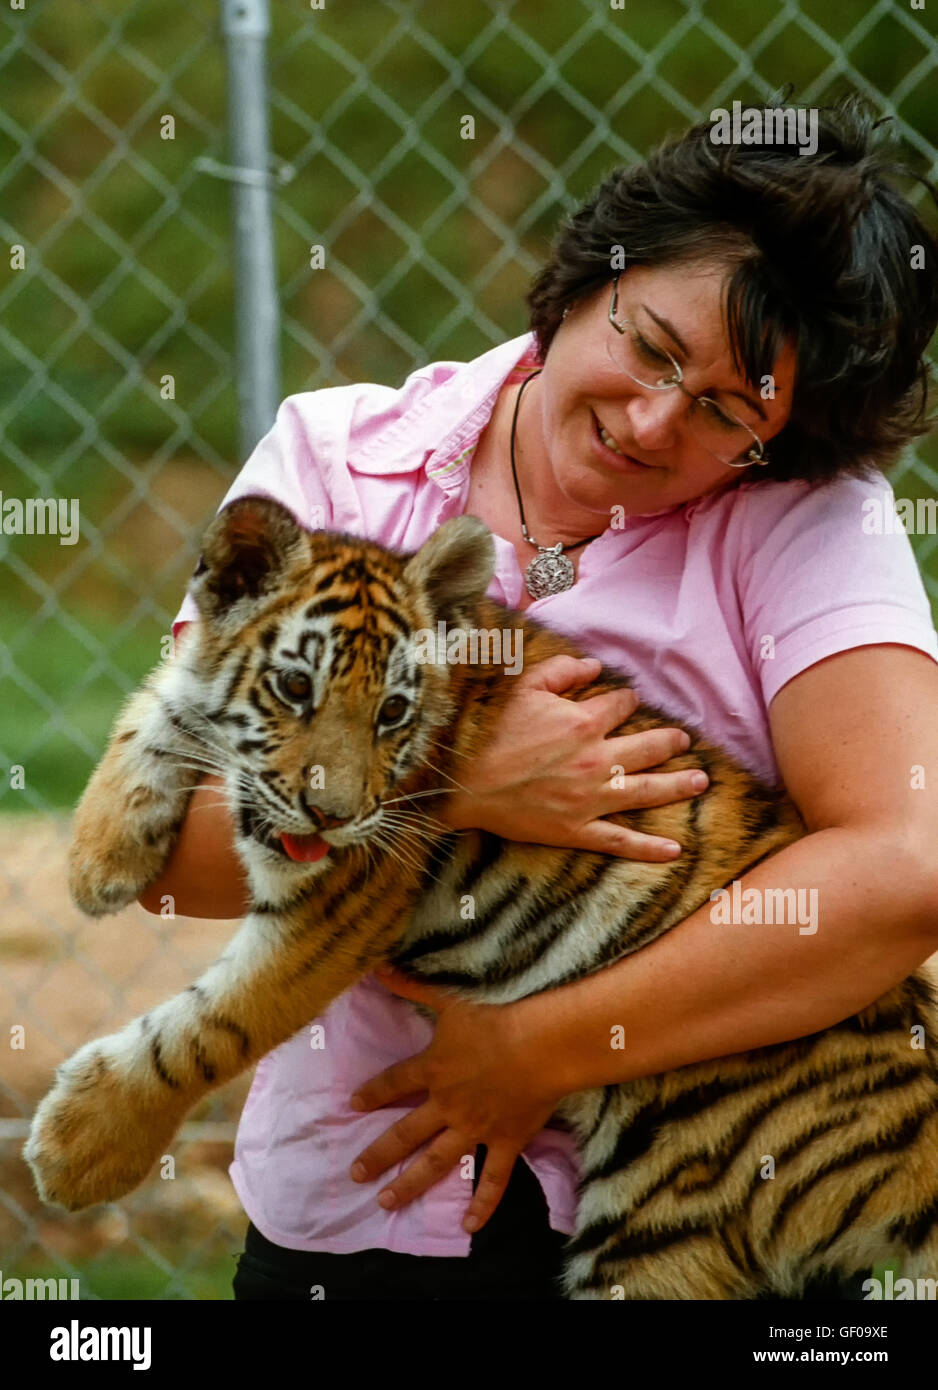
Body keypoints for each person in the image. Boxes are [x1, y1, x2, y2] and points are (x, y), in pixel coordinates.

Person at [141, 95, 938, 1300]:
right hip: (363, 1206)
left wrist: (537, 1051)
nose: (651, 420)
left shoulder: (801, 517)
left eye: (727, 411)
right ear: (581, 283)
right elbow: (168, 847)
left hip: (712, 1192)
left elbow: (905, 863)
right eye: (653, 347)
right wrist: (458, 782)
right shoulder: (338, 459)